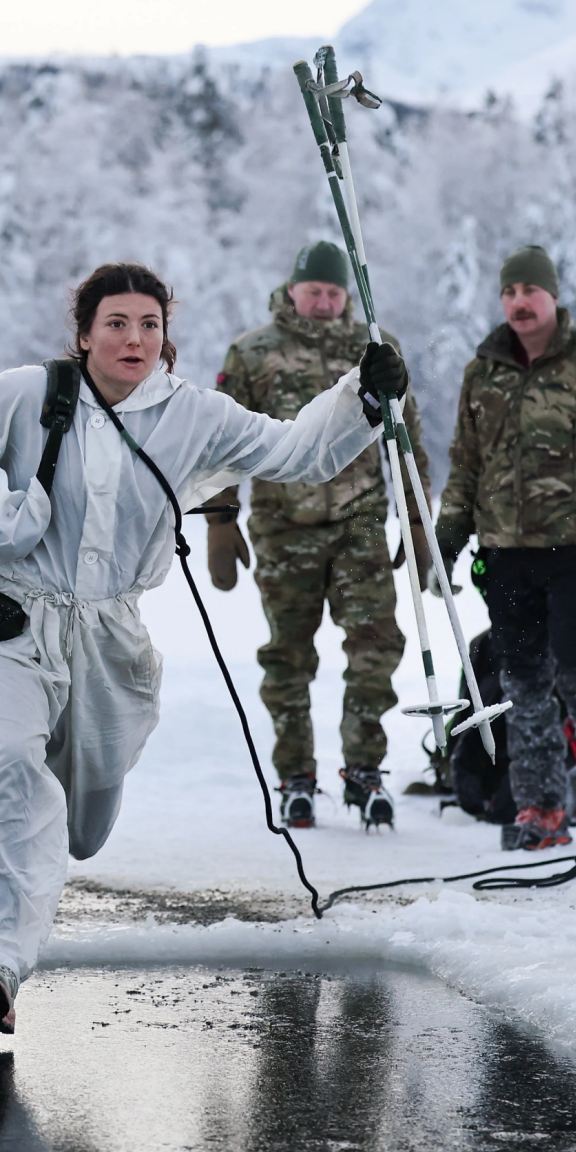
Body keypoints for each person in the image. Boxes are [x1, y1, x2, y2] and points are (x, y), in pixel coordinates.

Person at [0, 262, 395, 1033]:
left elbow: (295, 454)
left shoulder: (192, 414)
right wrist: (0, 521)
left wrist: (360, 398)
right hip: (8, 622)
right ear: (83, 334)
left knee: (82, 819)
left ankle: (26, 780)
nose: (133, 338)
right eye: (115, 323)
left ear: (165, 336)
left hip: (110, 638)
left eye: (148, 324)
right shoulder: (25, 395)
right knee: (9, 775)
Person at [208, 242, 432, 831]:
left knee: (375, 646)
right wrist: (220, 516)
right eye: (316, 292)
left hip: (360, 524)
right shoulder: (253, 352)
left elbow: (408, 436)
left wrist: (417, 514)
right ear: (293, 289)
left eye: (335, 294)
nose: (325, 303)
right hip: (285, 528)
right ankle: (296, 777)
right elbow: (222, 439)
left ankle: (365, 769)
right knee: (288, 656)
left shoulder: (375, 353)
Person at [433, 245, 576, 852]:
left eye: (530, 290)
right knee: (523, 688)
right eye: (509, 293)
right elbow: (466, 466)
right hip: (504, 554)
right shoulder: (484, 372)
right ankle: (541, 808)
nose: (519, 302)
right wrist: (445, 544)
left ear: (553, 295)